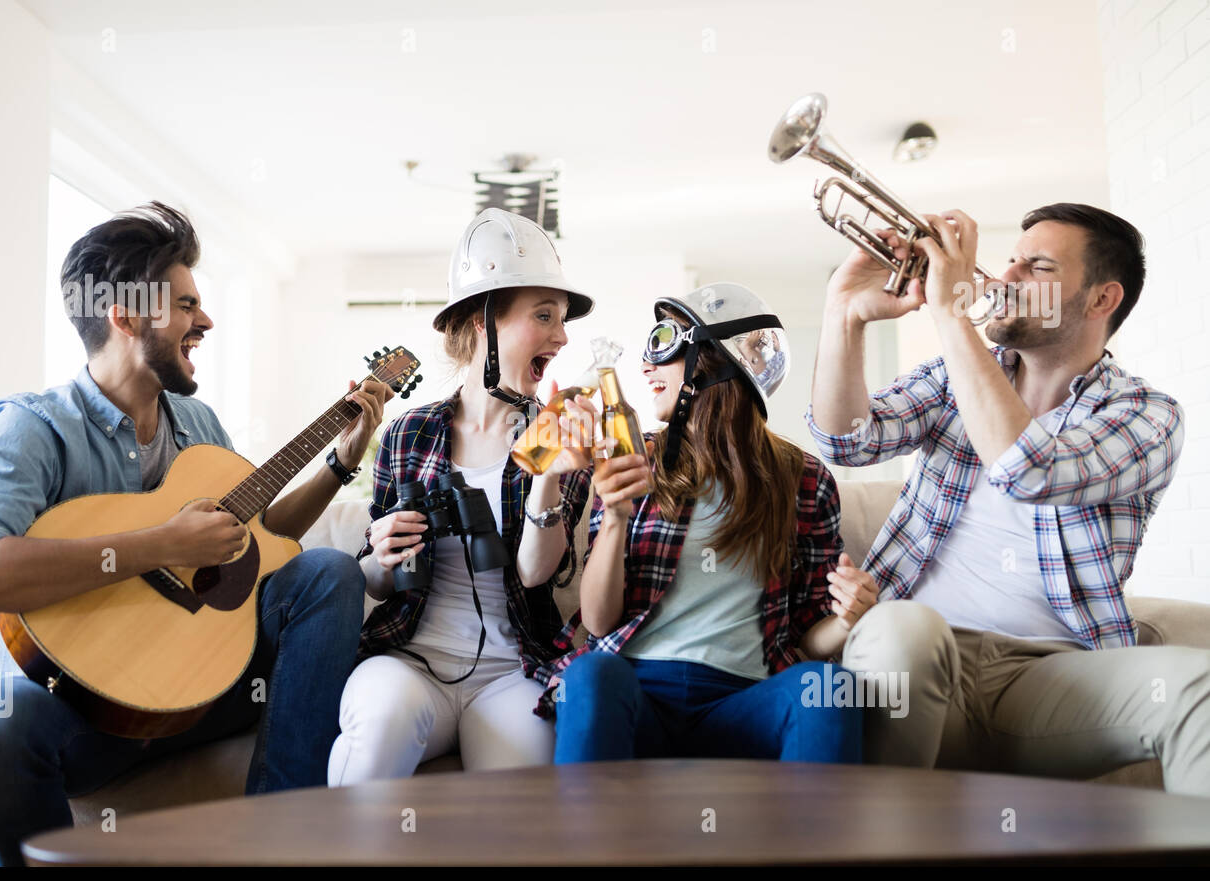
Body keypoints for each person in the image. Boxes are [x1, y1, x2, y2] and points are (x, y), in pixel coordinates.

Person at [0, 202, 392, 865]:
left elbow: (262, 540)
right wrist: (162, 545)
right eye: (186, 305)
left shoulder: (198, 425)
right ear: (124, 317)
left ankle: (284, 841)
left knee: (329, 570)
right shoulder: (34, 428)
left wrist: (340, 463)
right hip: (84, 711)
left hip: (209, 689)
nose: (205, 321)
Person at [806, 202, 1208, 794]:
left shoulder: (1146, 414)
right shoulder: (952, 375)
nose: (1005, 276)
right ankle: (887, 838)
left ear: (1101, 300)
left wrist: (951, 315)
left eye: (1037, 267)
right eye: (1012, 260)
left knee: (1202, 689)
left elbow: (1029, 469)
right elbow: (846, 440)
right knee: (905, 628)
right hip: (917, 660)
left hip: (1050, 682)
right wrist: (844, 314)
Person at [542, 282, 872, 764]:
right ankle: (589, 818)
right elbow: (597, 622)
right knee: (589, 675)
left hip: (744, 704)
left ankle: (808, 819)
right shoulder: (635, 459)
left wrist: (847, 618)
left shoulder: (803, 479)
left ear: (715, 359)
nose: (646, 365)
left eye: (663, 343)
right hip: (638, 693)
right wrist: (614, 517)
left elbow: (807, 633)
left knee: (826, 687)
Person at [327, 208, 595, 784]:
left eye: (563, 318)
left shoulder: (555, 433)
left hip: (510, 671)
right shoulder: (409, 431)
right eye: (544, 315)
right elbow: (375, 581)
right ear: (483, 321)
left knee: (517, 795)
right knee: (378, 728)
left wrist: (547, 474)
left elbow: (534, 574)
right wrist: (381, 553)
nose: (562, 335)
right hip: (410, 661)